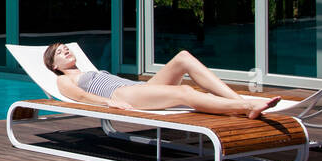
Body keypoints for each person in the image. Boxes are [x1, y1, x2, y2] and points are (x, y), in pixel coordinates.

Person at [42, 43, 281, 119]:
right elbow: (81, 97)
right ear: (54, 66)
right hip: (121, 95)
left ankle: (238, 100)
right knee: (184, 92)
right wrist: (108, 103)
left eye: (65, 48)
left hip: (138, 88)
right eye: (59, 53)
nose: (66, 51)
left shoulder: (86, 70)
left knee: (183, 57)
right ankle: (246, 106)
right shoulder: (63, 80)